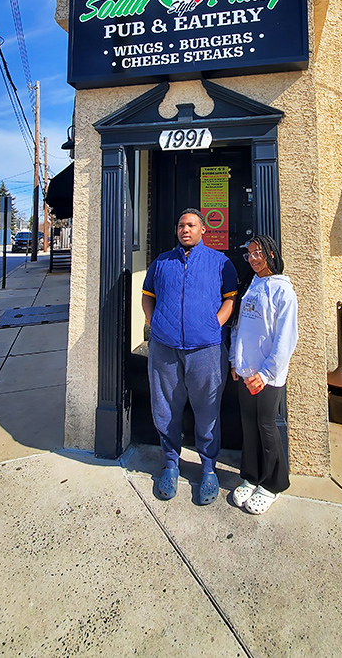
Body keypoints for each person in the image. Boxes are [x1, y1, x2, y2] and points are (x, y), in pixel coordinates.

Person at [142, 208, 238, 505]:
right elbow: (147, 296)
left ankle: (208, 469)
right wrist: (154, 323)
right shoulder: (161, 262)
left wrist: (213, 325)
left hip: (206, 350)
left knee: (207, 411)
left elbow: (230, 301)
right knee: (165, 409)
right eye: (181, 225)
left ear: (203, 230)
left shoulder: (220, 263)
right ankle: (170, 465)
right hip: (165, 349)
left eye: (192, 225)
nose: (186, 229)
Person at [229, 234, 298, 514]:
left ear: (271, 254)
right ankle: (251, 476)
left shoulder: (284, 291)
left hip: (267, 375)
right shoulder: (251, 285)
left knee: (266, 426)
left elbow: (286, 338)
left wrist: (267, 373)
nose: (253, 259)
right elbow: (239, 326)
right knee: (248, 425)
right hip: (246, 370)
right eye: (249, 254)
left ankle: (273, 483)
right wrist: (235, 360)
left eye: (258, 253)